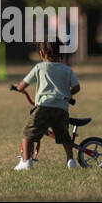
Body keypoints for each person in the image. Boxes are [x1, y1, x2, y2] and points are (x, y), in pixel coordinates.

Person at [13, 40, 80, 170]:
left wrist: (18, 87)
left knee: (28, 133)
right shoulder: (67, 69)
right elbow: (77, 87)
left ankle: (26, 162)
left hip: (43, 107)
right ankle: (70, 161)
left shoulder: (39, 67)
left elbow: (22, 85)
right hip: (61, 109)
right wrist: (68, 94)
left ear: (41, 53)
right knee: (64, 136)